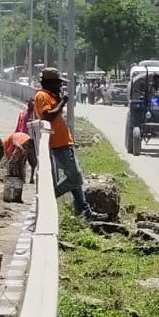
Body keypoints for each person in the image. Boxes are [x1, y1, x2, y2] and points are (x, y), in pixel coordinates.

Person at [33, 67, 98, 218]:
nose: (60, 86)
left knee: (76, 179)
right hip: (58, 144)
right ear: (50, 82)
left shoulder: (50, 95)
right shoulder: (42, 96)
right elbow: (48, 116)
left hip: (63, 142)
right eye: (58, 83)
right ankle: (49, 197)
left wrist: (58, 99)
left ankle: (84, 210)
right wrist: (62, 102)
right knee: (75, 177)